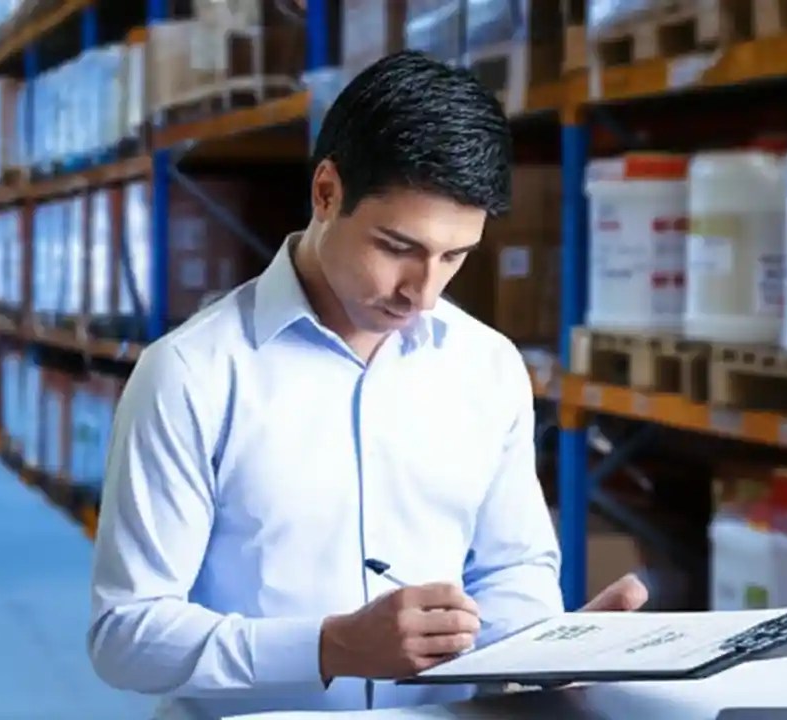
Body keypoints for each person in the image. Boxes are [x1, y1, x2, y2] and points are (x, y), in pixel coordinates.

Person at [87, 50, 648, 719]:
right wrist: (330, 648)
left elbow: (510, 570)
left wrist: (552, 652)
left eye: (454, 257)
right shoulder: (191, 375)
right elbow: (125, 635)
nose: (423, 293)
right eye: (398, 248)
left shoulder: (486, 366)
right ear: (326, 192)